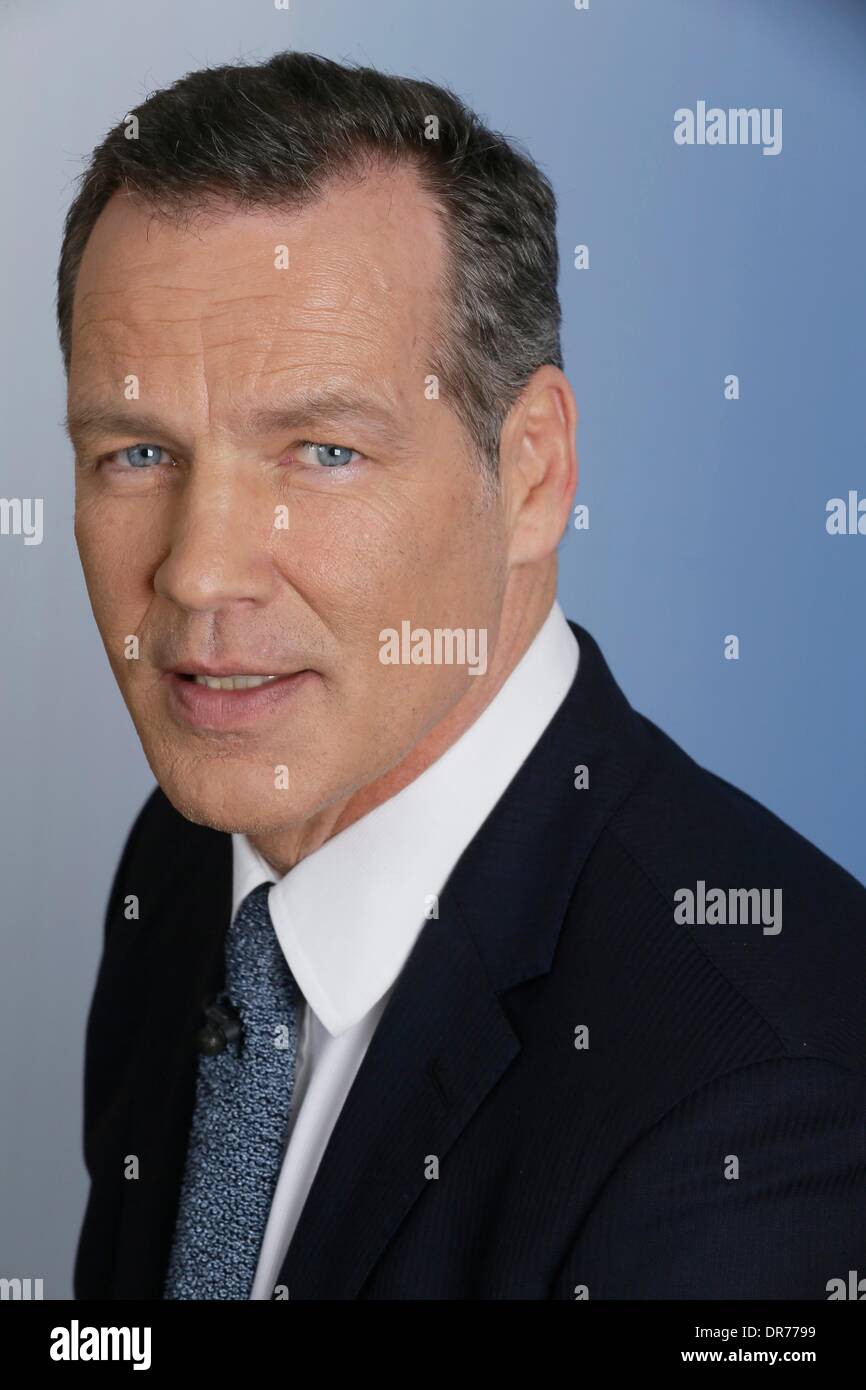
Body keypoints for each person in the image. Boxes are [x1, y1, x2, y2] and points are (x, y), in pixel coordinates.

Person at [60, 51, 866, 1300]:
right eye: (136, 451)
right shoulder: (182, 869)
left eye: (321, 449)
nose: (199, 573)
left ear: (532, 472)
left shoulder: (757, 1114)